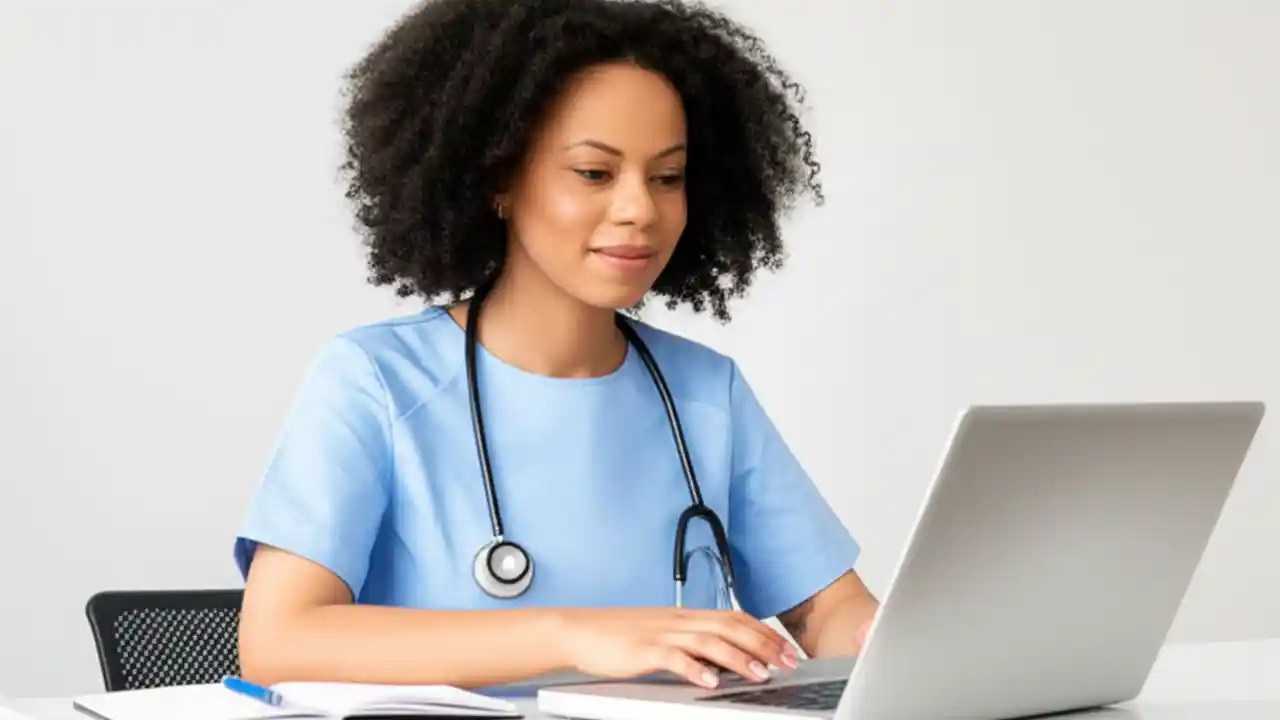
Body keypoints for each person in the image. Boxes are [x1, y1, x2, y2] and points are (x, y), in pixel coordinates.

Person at [234, 0, 879, 693]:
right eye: (595, 174)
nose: (640, 209)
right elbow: (279, 640)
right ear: (499, 181)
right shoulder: (378, 380)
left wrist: (917, 638)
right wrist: (575, 634)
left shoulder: (703, 391)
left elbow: (830, 611)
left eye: (668, 177)